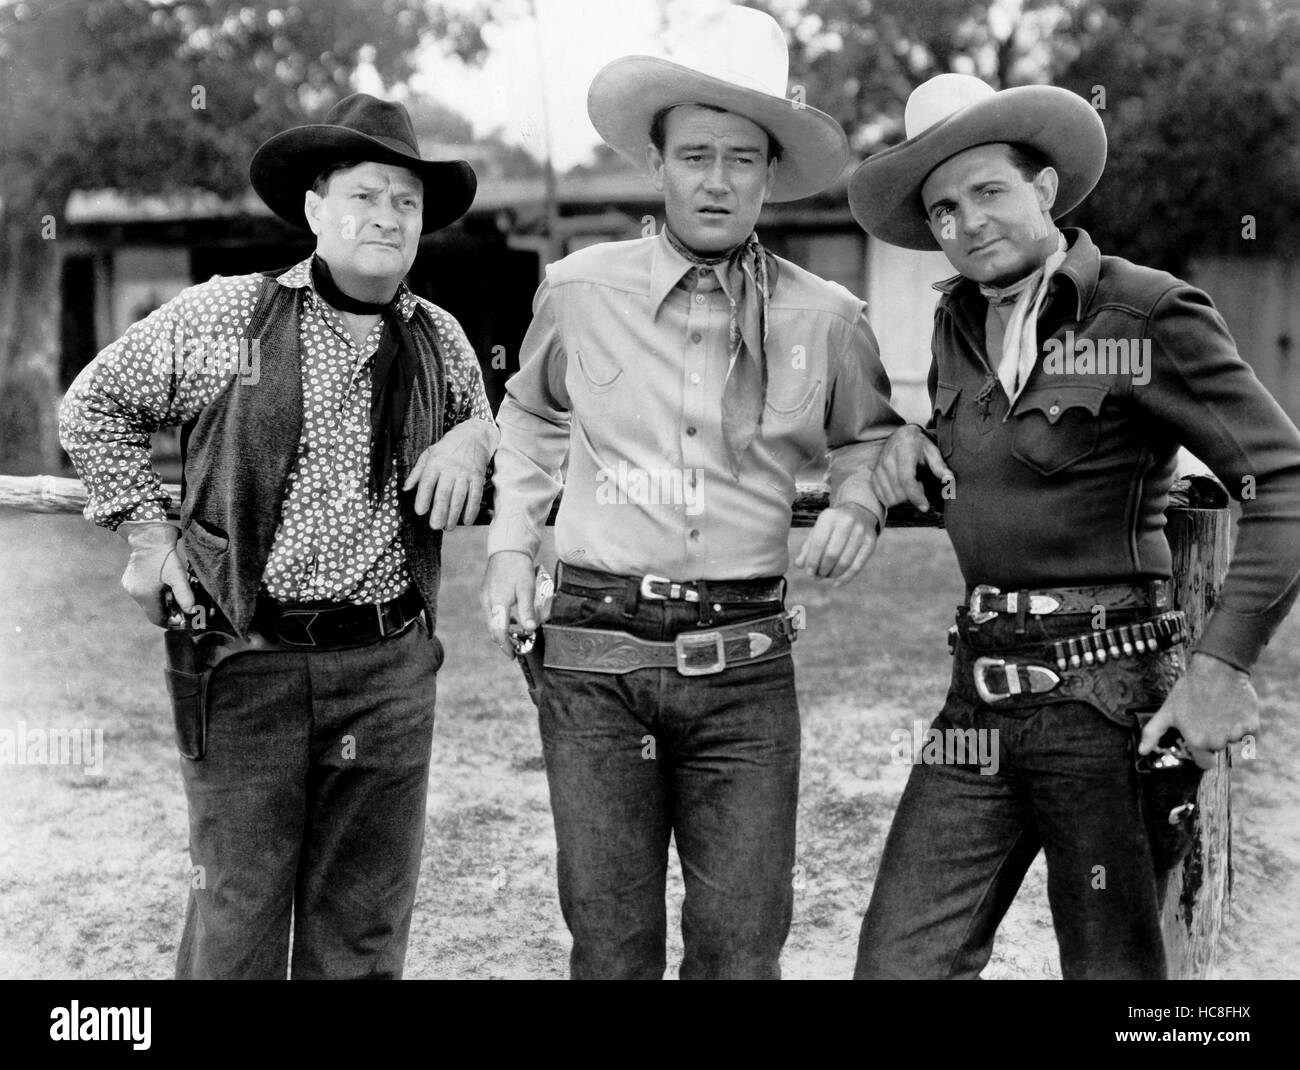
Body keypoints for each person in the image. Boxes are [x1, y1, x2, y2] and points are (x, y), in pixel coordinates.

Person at [481, 6, 903, 980]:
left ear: (767, 173)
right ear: (657, 164)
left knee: (741, 943)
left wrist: (854, 500)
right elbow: (532, 414)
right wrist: (512, 541)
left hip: (747, 667)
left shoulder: (827, 316)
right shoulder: (578, 290)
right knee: (611, 940)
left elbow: (875, 434)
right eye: (696, 155)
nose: (717, 180)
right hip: (594, 657)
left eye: (741, 159)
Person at [847, 73, 1300, 979]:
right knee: (898, 963)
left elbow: (1285, 482)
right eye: (942, 211)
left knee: (1115, 981)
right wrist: (904, 445)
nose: (967, 223)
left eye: (988, 192)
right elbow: (988, 445)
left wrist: (1221, 669)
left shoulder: (1142, 313)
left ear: (1044, 188)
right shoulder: (955, 325)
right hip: (975, 698)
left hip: (1104, 700)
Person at [59, 94, 497, 979]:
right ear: (315, 208)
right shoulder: (229, 318)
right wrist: (148, 539)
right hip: (243, 659)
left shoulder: (440, 339)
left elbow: (508, 429)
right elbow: (94, 404)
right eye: (366, 195)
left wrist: (474, 435)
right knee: (236, 924)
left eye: (405, 203)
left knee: (364, 935)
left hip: (387, 669)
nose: (386, 218)